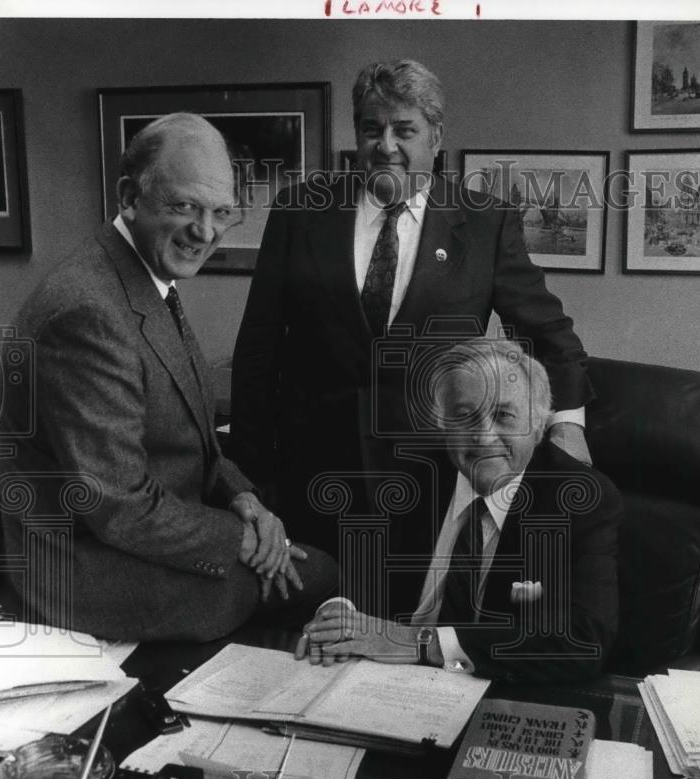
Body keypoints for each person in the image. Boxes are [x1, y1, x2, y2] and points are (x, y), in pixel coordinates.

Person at [231, 59, 594, 607]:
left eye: (404, 130)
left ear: (436, 137)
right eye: (372, 129)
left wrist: (566, 426)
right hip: (309, 476)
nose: (386, 145)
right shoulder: (299, 212)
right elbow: (258, 351)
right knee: (302, 633)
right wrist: (252, 483)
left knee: (406, 638)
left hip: (431, 478)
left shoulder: (485, 222)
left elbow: (549, 334)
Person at [0, 113, 337, 642]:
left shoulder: (139, 276)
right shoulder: (88, 311)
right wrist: (243, 539)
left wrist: (246, 500)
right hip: (85, 566)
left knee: (309, 568)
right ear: (130, 196)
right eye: (184, 207)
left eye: (221, 212)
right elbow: (118, 505)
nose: (206, 232)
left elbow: (193, 442)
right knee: (316, 577)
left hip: (144, 535)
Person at [295, 338, 622, 684]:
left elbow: (582, 643)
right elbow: (357, 572)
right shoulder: (411, 475)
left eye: (503, 416)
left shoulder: (581, 499)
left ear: (539, 425)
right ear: (443, 424)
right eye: (465, 417)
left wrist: (420, 643)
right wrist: (339, 611)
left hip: (501, 696)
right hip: (383, 683)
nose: (483, 437)